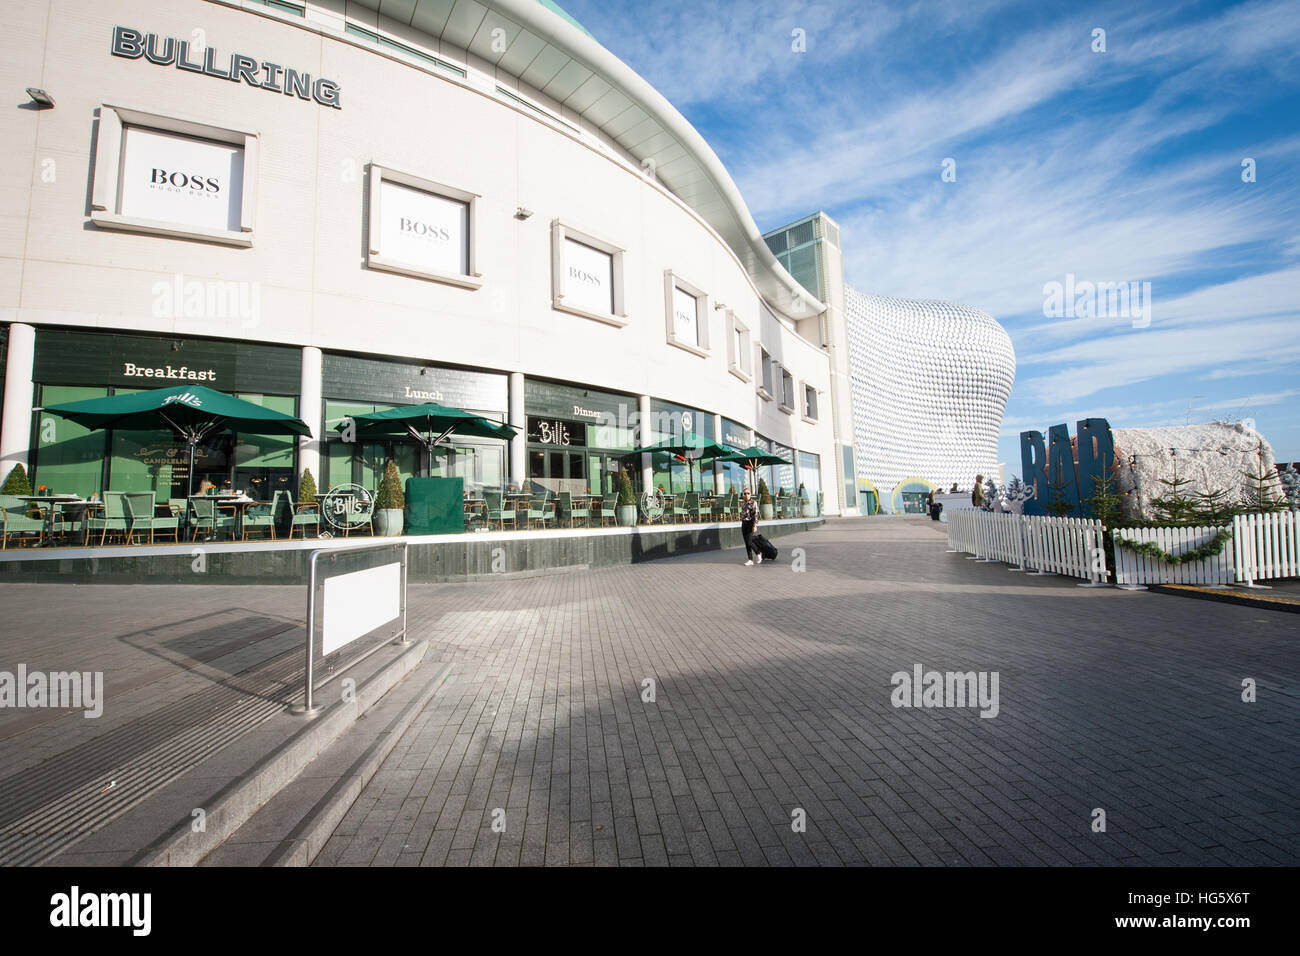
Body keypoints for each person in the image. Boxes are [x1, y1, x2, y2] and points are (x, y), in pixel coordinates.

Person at [739, 486, 761, 565]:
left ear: (750, 494)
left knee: (749, 541)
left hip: (751, 523)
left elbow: (756, 514)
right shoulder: (743, 504)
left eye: (748, 493)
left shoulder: (753, 502)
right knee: (746, 543)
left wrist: (755, 525)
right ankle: (750, 560)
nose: (746, 495)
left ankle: (758, 554)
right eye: (745, 494)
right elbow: (743, 514)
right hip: (744, 524)